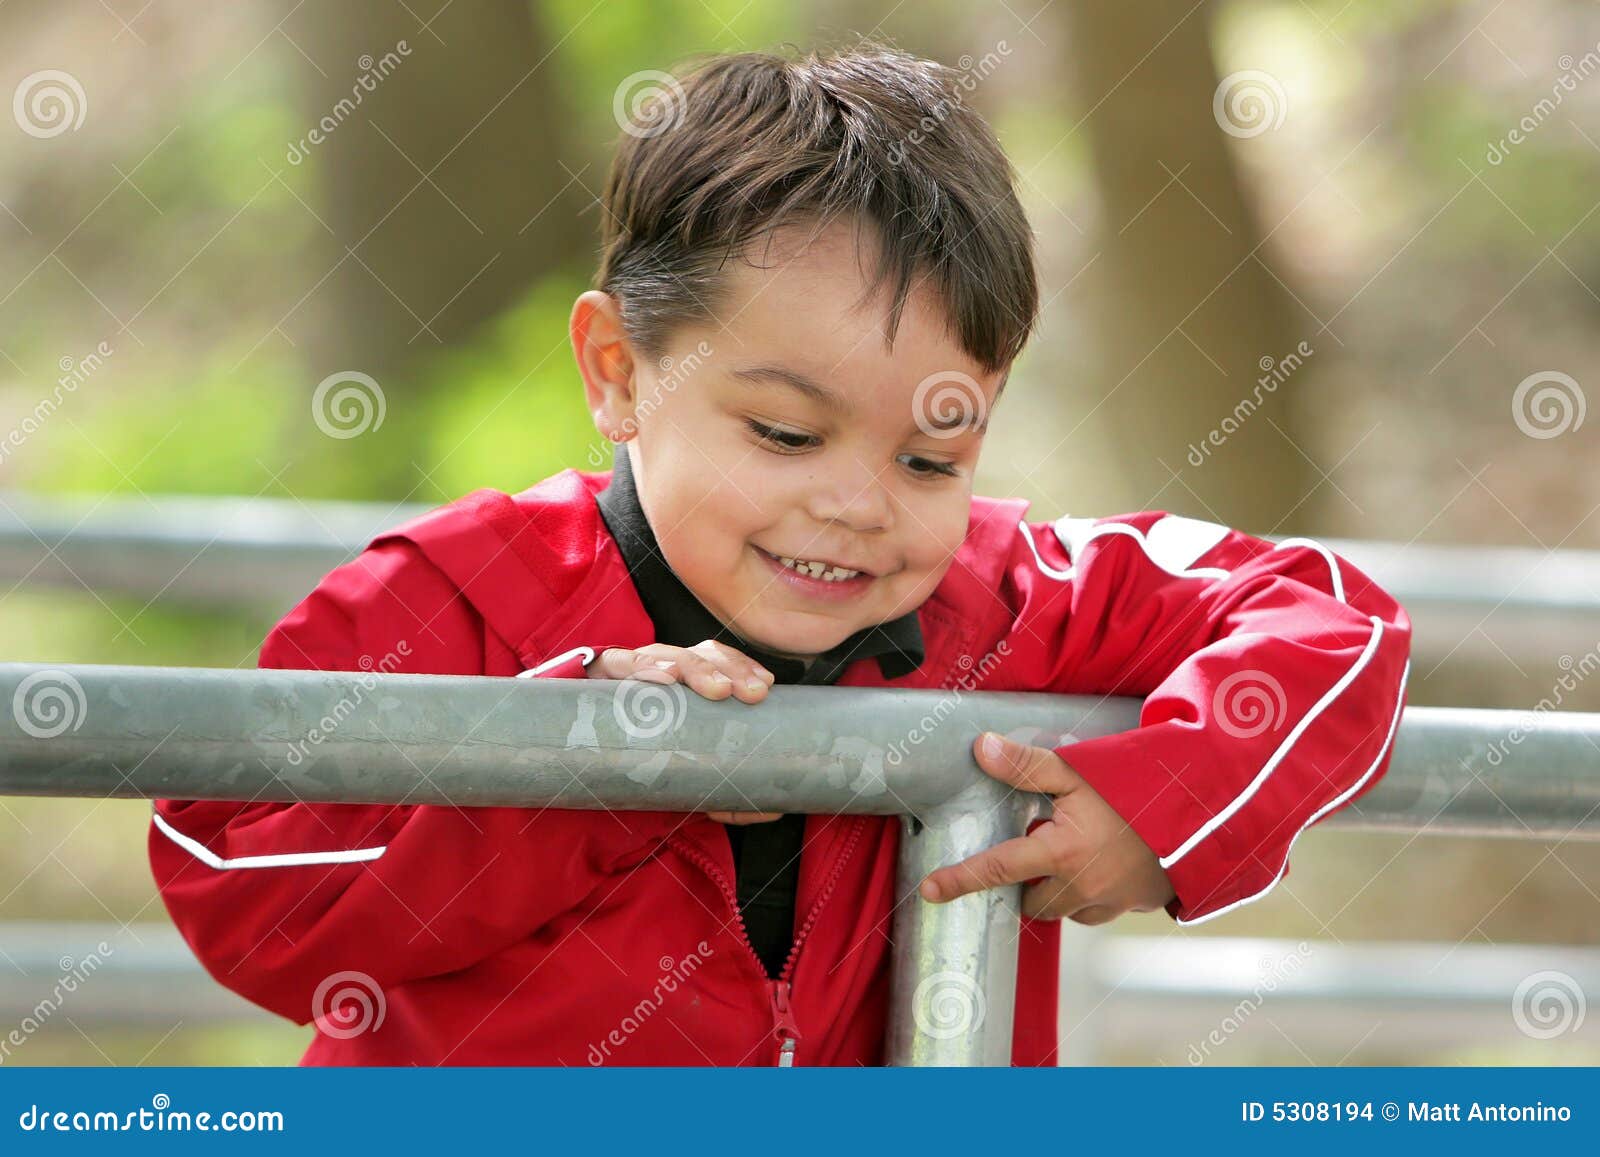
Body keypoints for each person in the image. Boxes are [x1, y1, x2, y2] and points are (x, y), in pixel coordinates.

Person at [148, 45, 1411, 1067]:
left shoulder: (1014, 596)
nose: (861, 505)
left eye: (932, 456)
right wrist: (566, 763)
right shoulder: (452, 597)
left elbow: (1327, 611)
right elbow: (232, 870)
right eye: (787, 432)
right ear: (620, 370)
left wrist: (1168, 799)